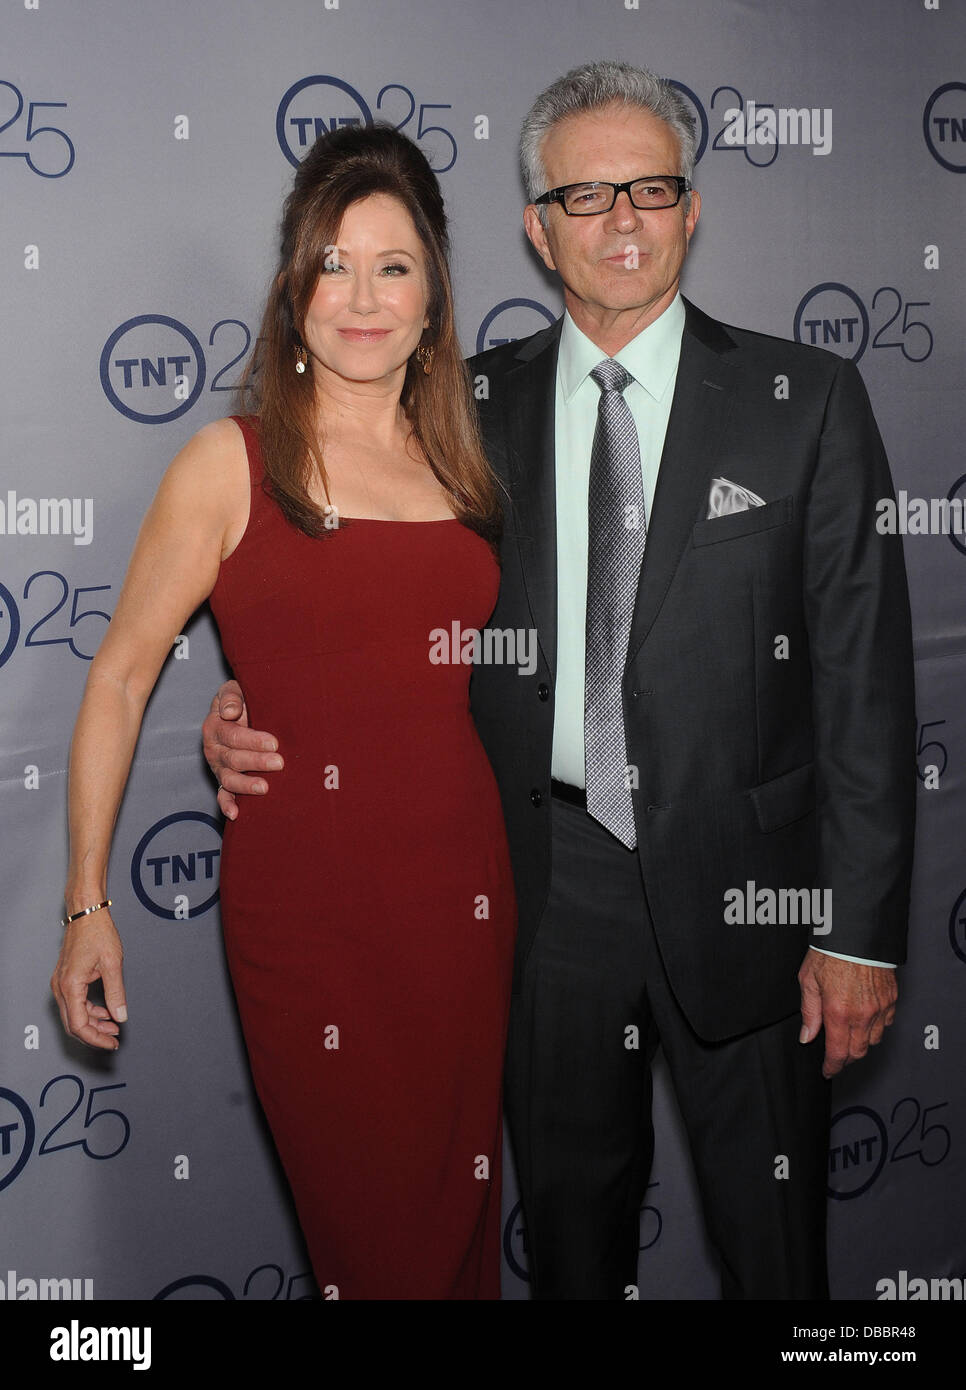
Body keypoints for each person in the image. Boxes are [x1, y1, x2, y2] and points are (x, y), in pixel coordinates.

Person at [204, 62, 917, 1300]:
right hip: (538, 900)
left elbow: (866, 688)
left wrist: (858, 934)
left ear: (693, 210)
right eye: (585, 197)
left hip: (752, 901)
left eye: (650, 188)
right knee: (570, 1252)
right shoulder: (461, 409)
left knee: (779, 1259)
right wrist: (253, 703)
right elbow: (368, 604)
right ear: (538, 229)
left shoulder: (805, 401)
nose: (622, 220)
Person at [51, 124, 516, 1300]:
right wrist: (89, 902)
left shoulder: (472, 470)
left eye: (394, 266)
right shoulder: (230, 462)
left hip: (462, 909)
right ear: (292, 290)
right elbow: (115, 677)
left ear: (434, 299)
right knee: (373, 1250)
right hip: (311, 923)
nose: (361, 297)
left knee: (458, 1236)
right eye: (333, 264)